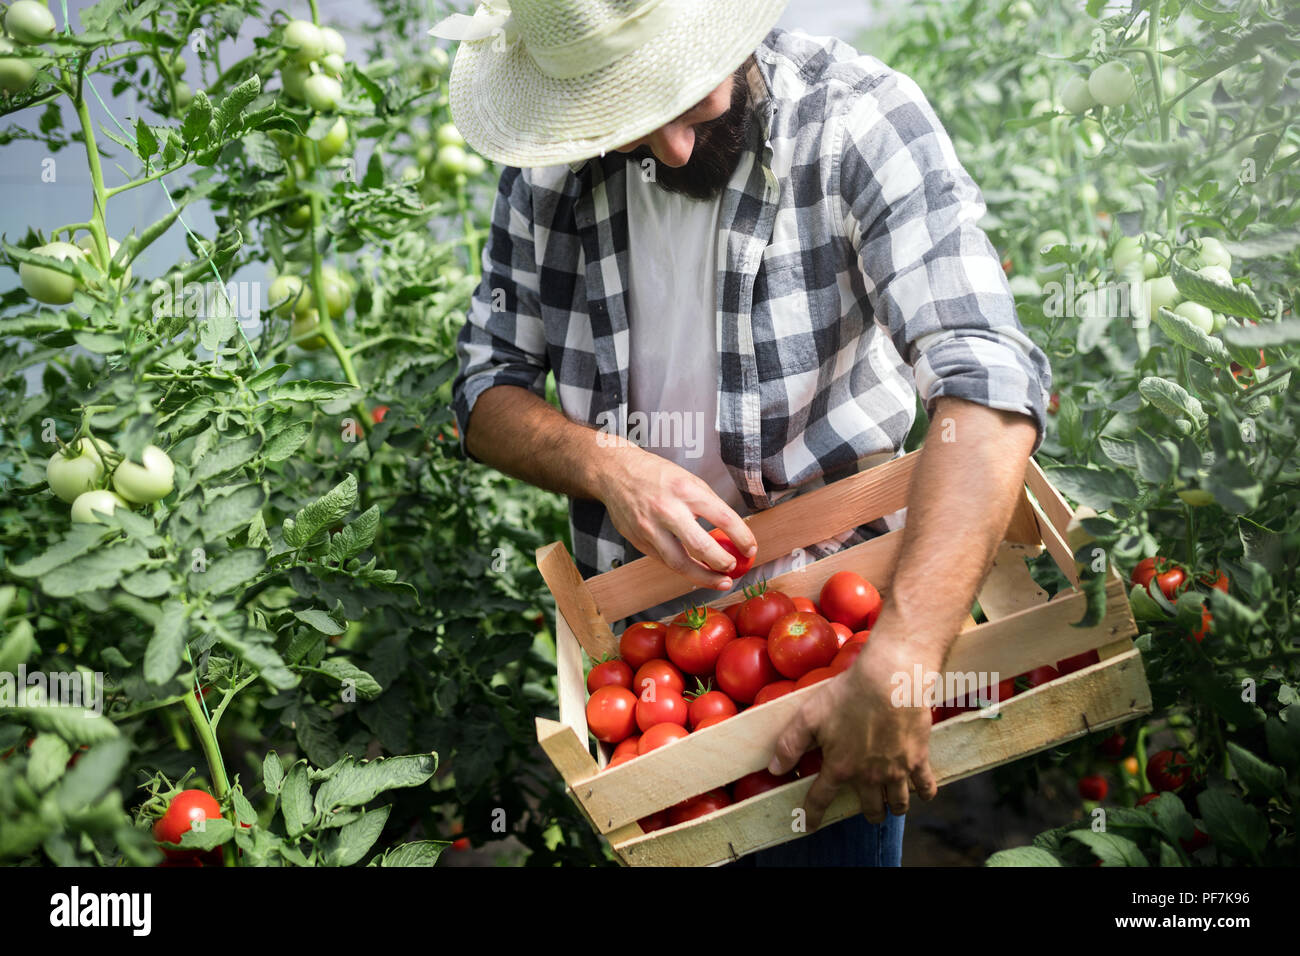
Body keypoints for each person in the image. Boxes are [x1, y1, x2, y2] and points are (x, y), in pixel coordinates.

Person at [433, 0, 1052, 866]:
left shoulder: (855, 122)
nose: (672, 148)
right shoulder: (550, 170)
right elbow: (483, 386)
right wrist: (606, 465)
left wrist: (903, 659)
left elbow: (986, 382)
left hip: (835, 646)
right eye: (628, 124)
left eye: (686, 100)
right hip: (648, 665)